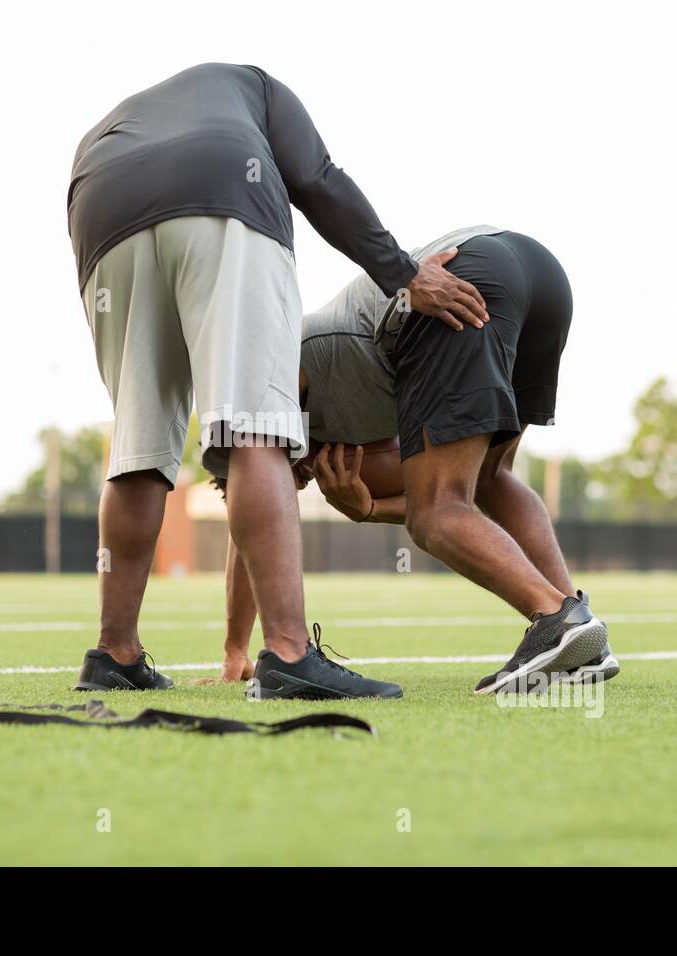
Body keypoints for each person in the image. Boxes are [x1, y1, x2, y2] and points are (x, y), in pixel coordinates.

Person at [67, 64, 486, 697]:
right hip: (219, 191)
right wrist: (403, 273)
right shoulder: (259, 86)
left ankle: (114, 653)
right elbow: (317, 179)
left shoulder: (127, 117)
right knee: (257, 427)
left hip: (101, 209)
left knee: (139, 445)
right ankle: (288, 654)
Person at [221, 226, 619, 694]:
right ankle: (581, 631)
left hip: (462, 283)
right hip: (536, 273)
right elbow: (464, 493)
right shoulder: (352, 425)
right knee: (492, 477)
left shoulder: (293, 371)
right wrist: (368, 510)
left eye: (291, 477)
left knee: (437, 511)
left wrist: (234, 650)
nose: (295, 482)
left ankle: (555, 619)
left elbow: (251, 522)